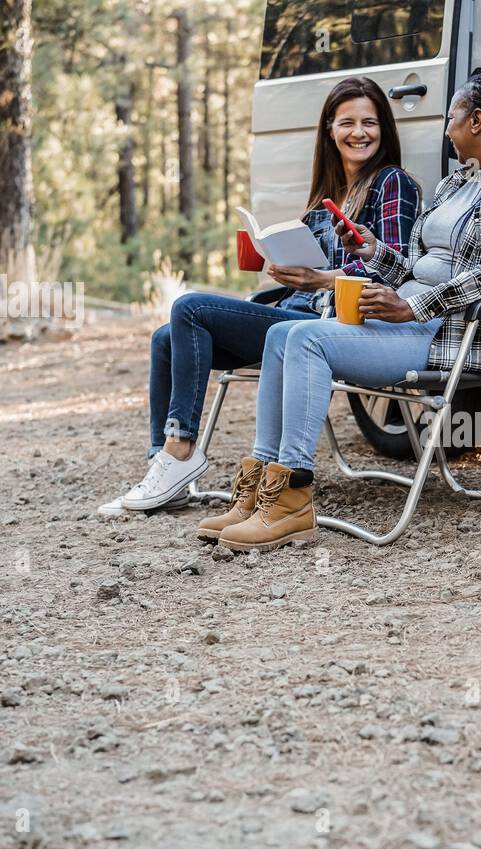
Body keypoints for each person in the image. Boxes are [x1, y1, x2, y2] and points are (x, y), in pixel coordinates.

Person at [209, 71, 481, 552]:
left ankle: (291, 498)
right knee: (279, 337)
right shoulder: (456, 183)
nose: (446, 129)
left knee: (306, 339)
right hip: (414, 320)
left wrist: (411, 306)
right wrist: (374, 252)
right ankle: (260, 491)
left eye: (453, 117)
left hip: (457, 335)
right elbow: (419, 265)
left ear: (478, 121)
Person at [102, 77, 421, 518]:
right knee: (165, 338)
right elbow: (304, 268)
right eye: (347, 122)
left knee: (189, 308)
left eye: (369, 122)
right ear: (329, 129)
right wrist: (280, 263)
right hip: (289, 313)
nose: (358, 132)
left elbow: (394, 264)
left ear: (384, 129)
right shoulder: (327, 196)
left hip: (322, 326)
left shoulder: (393, 183)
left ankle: (180, 453)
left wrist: (323, 280)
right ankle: (165, 464)